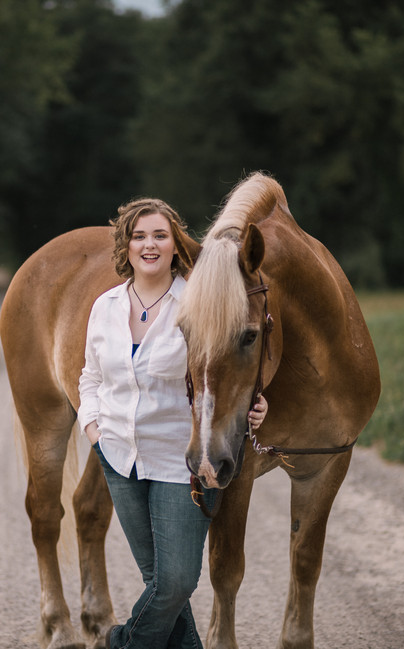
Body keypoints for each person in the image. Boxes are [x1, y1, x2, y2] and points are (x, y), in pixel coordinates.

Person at [78, 198, 268, 649]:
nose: (149, 245)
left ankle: (119, 642)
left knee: (177, 583)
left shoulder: (198, 302)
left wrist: (255, 406)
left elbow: (223, 371)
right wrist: (93, 431)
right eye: (139, 236)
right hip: (118, 457)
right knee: (160, 585)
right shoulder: (104, 306)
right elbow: (90, 376)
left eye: (160, 235)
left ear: (175, 243)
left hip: (176, 460)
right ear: (125, 245)